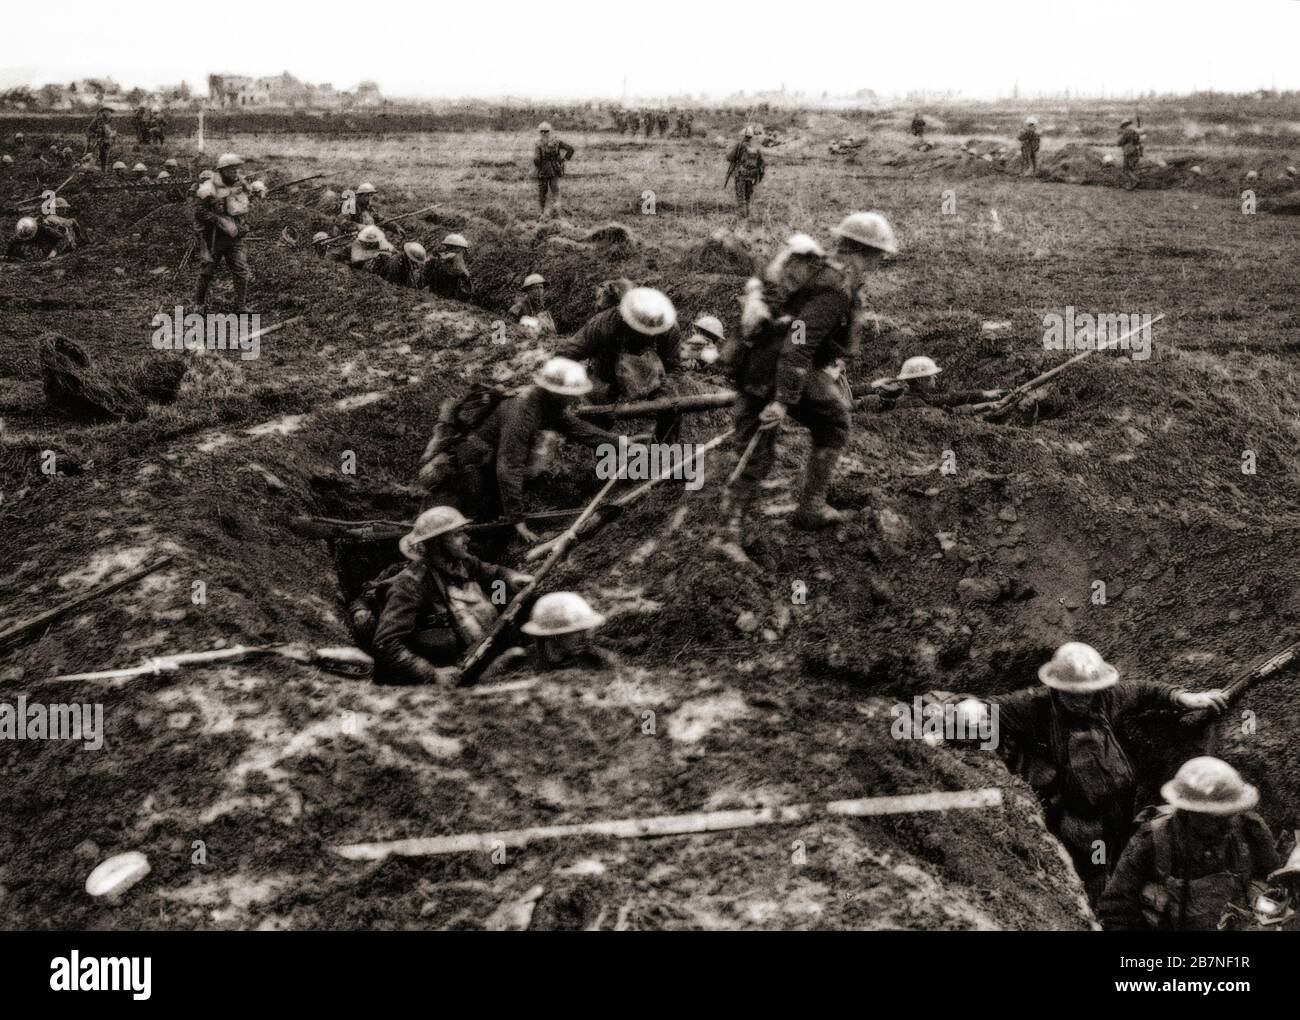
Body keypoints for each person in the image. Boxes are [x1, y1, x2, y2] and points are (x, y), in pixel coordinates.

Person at [975, 643, 1230, 902]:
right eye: (1072, 694)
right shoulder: (1033, 706)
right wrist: (959, 717)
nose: (1081, 700)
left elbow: (1144, 691)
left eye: (1087, 693)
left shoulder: (1107, 697)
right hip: (1075, 819)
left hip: (1118, 809)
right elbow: (983, 709)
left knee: (1121, 861)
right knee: (1091, 873)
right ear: (1056, 687)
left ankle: (1115, 893)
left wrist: (1182, 697)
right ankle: (1091, 906)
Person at [725, 215, 894, 536]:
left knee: (757, 449)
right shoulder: (835, 289)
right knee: (833, 422)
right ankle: (807, 508)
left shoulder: (823, 274)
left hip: (757, 362)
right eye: (877, 255)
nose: (878, 263)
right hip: (778, 366)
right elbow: (798, 341)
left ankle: (731, 528)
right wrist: (783, 400)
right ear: (865, 252)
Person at [418, 358, 621, 543]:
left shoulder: (543, 403)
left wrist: (622, 443)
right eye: (570, 395)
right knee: (454, 537)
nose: (574, 400)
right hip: (464, 476)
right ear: (556, 393)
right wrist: (518, 521)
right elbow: (508, 466)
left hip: (482, 471)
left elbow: (577, 428)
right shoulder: (522, 411)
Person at [1098, 757, 1280, 930]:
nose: (1227, 825)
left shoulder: (1250, 831)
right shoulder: (1154, 840)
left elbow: (1278, 889)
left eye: (1231, 814)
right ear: (1190, 813)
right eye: (1216, 817)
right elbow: (1116, 909)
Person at [368, 507, 533, 685]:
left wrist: (509, 580)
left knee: (502, 593)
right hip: (458, 673)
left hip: (491, 649)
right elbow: (386, 643)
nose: (467, 539)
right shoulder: (410, 585)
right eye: (458, 534)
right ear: (438, 542)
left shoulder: (464, 563)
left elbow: (494, 574)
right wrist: (431, 673)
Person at [560, 286, 684, 439]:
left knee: (671, 407)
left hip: (651, 377)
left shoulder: (668, 328)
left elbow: (674, 368)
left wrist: (663, 397)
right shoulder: (605, 323)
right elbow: (567, 352)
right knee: (598, 409)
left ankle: (665, 454)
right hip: (607, 373)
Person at [479, 592, 620, 680]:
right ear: (552, 636)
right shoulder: (517, 663)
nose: (586, 637)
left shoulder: (599, 661)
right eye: (576, 632)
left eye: (586, 630)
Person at [192, 153, 253, 313]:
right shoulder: (209, 188)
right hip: (214, 237)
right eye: (231, 169)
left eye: (236, 169)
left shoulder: (240, 185)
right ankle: (198, 304)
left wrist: (243, 224)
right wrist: (216, 219)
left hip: (235, 237)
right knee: (207, 271)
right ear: (223, 170)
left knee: (241, 270)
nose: (235, 172)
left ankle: (240, 306)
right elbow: (199, 211)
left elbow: (244, 207)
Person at [860, 356, 1003, 411]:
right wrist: (985, 406)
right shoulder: (915, 404)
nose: (935, 378)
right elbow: (950, 415)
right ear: (920, 380)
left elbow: (948, 398)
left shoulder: (916, 395)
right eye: (931, 376)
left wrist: (983, 394)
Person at [533, 122, 575, 216]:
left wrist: (537, 165)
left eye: (545, 131)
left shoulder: (538, 143)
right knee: (555, 191)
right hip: (555, 169)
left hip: (543, 171)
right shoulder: (557, 141)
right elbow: (571, 149)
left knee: (542, 193)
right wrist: (563, 160)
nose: (543, 133)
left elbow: (537, 159)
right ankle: (557, 212)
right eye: (542, 131)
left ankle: (542, 213)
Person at [725, 126, 766, 218]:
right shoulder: (756, 149)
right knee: (747, 197)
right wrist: (758, 177)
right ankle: (747, 215)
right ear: (751, 137)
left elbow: (729, 157)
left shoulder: (739, 146)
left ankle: (742, 217)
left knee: (740, 197)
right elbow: (762, 164)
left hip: (741, 175)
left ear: (743, 136)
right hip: (751, 176)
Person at [422, 233, 473, 299]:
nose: (447, 248)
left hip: (446, 288)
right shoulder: (453, 257)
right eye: (448, 247)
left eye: (449, 247)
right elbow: (459, 270)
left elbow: (459, 271)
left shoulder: (452, 257)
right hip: (444, 287)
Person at [85, 106, 114, 172]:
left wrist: (112, 136)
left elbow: (112, 132)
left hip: (107, 142)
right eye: (106, 112)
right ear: (103, 113)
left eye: (109, 113)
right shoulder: (97, 121)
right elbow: (88, 131)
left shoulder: (110, 122)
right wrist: (95, 136)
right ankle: (90, 170)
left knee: (105, 157)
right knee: (95, 155)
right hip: (98, 141)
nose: (108, 114)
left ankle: (104, 172)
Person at [1118, 118, 1143, 190]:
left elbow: (1120, 142)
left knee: (1126, 169)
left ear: (1124, 125)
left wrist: (1120, 143)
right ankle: (1131, 185)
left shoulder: (1126, 132)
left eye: (1123, 126)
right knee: (1130, 169)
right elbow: (1138, 142)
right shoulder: (1134, 132)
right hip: (1135, 151)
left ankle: (1136, 180)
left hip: (1128, 151)